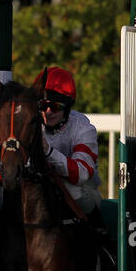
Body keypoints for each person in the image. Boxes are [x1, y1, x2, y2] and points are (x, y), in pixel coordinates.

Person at [35, 66, 109, 243]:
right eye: (43, 105)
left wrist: (48, 152)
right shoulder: (33, 123)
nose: (48, 112)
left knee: (72, 188)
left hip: (83, 192)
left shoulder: (84, 128)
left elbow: (81, 174)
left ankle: (102, 238)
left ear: (67, 107)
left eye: (55, 106)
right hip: (44, 186)